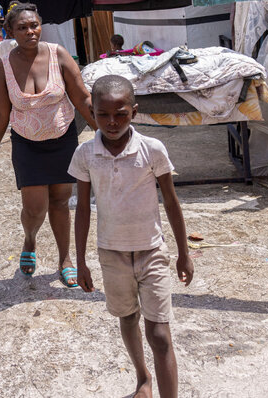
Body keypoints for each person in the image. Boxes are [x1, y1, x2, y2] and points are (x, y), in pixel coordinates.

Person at [70, 75, 194, 398]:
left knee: (160, 335)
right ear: (92, 113)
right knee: (127, 318)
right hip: (111, 254)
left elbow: (170, 200)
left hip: (152, 251)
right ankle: (142, 377)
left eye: (121, 114)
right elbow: (83, 208)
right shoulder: (85, 155)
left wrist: (183, 252)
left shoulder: (152, 150)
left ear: (135, 112)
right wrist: (80, 260)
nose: (112, 122)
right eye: (103, 115)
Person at [0, 2, 97, 288]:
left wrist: (105, 133)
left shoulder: (58, 55)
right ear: (10, 31)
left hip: (63, 141)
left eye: (34, 25)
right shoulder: (5, 66)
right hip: (27, 144)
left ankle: (64, 260)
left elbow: (82, 97)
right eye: (22, 28)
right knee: (35, 208)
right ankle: (30, 240)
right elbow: (0, 112)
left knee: (61, 201)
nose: (30, 31)